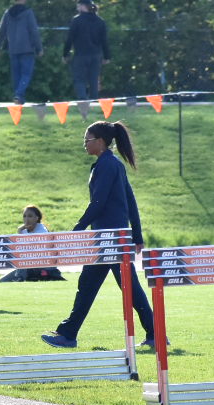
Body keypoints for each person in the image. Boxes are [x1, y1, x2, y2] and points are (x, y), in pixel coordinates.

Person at [37, 124, 155, 349]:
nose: (85, 143)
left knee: (106, 286)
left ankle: (68, 334)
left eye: (87, 139)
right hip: (112, 237)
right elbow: (130, 201)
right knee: (100, 285)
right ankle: (69, 333)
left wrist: (78, 228)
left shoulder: (107, 165)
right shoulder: (113, 164)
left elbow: (98, 203)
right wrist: (136, 235)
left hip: (108, 239)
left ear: (100, 141)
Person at [0, 0, 42, 104]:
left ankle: (18, 97)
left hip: (13, 49)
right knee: (26, 74)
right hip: (27, 48)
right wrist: (39, 47)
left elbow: (1, 31)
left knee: (16, 75)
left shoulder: (7, 13)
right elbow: (33, 31)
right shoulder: (28, 13)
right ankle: (19, 95)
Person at [63, 0, 109, 101]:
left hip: (81, 55)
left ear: (83, 6)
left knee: (79, 79)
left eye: (78, 6)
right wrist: (107, 56)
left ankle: (82, 100)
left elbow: (69, 39)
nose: (77, 9)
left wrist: (65, 54)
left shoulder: (77, 20)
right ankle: (93, 101)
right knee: (93, 79)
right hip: (96, 55)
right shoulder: (100, 21)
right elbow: (104, 41)